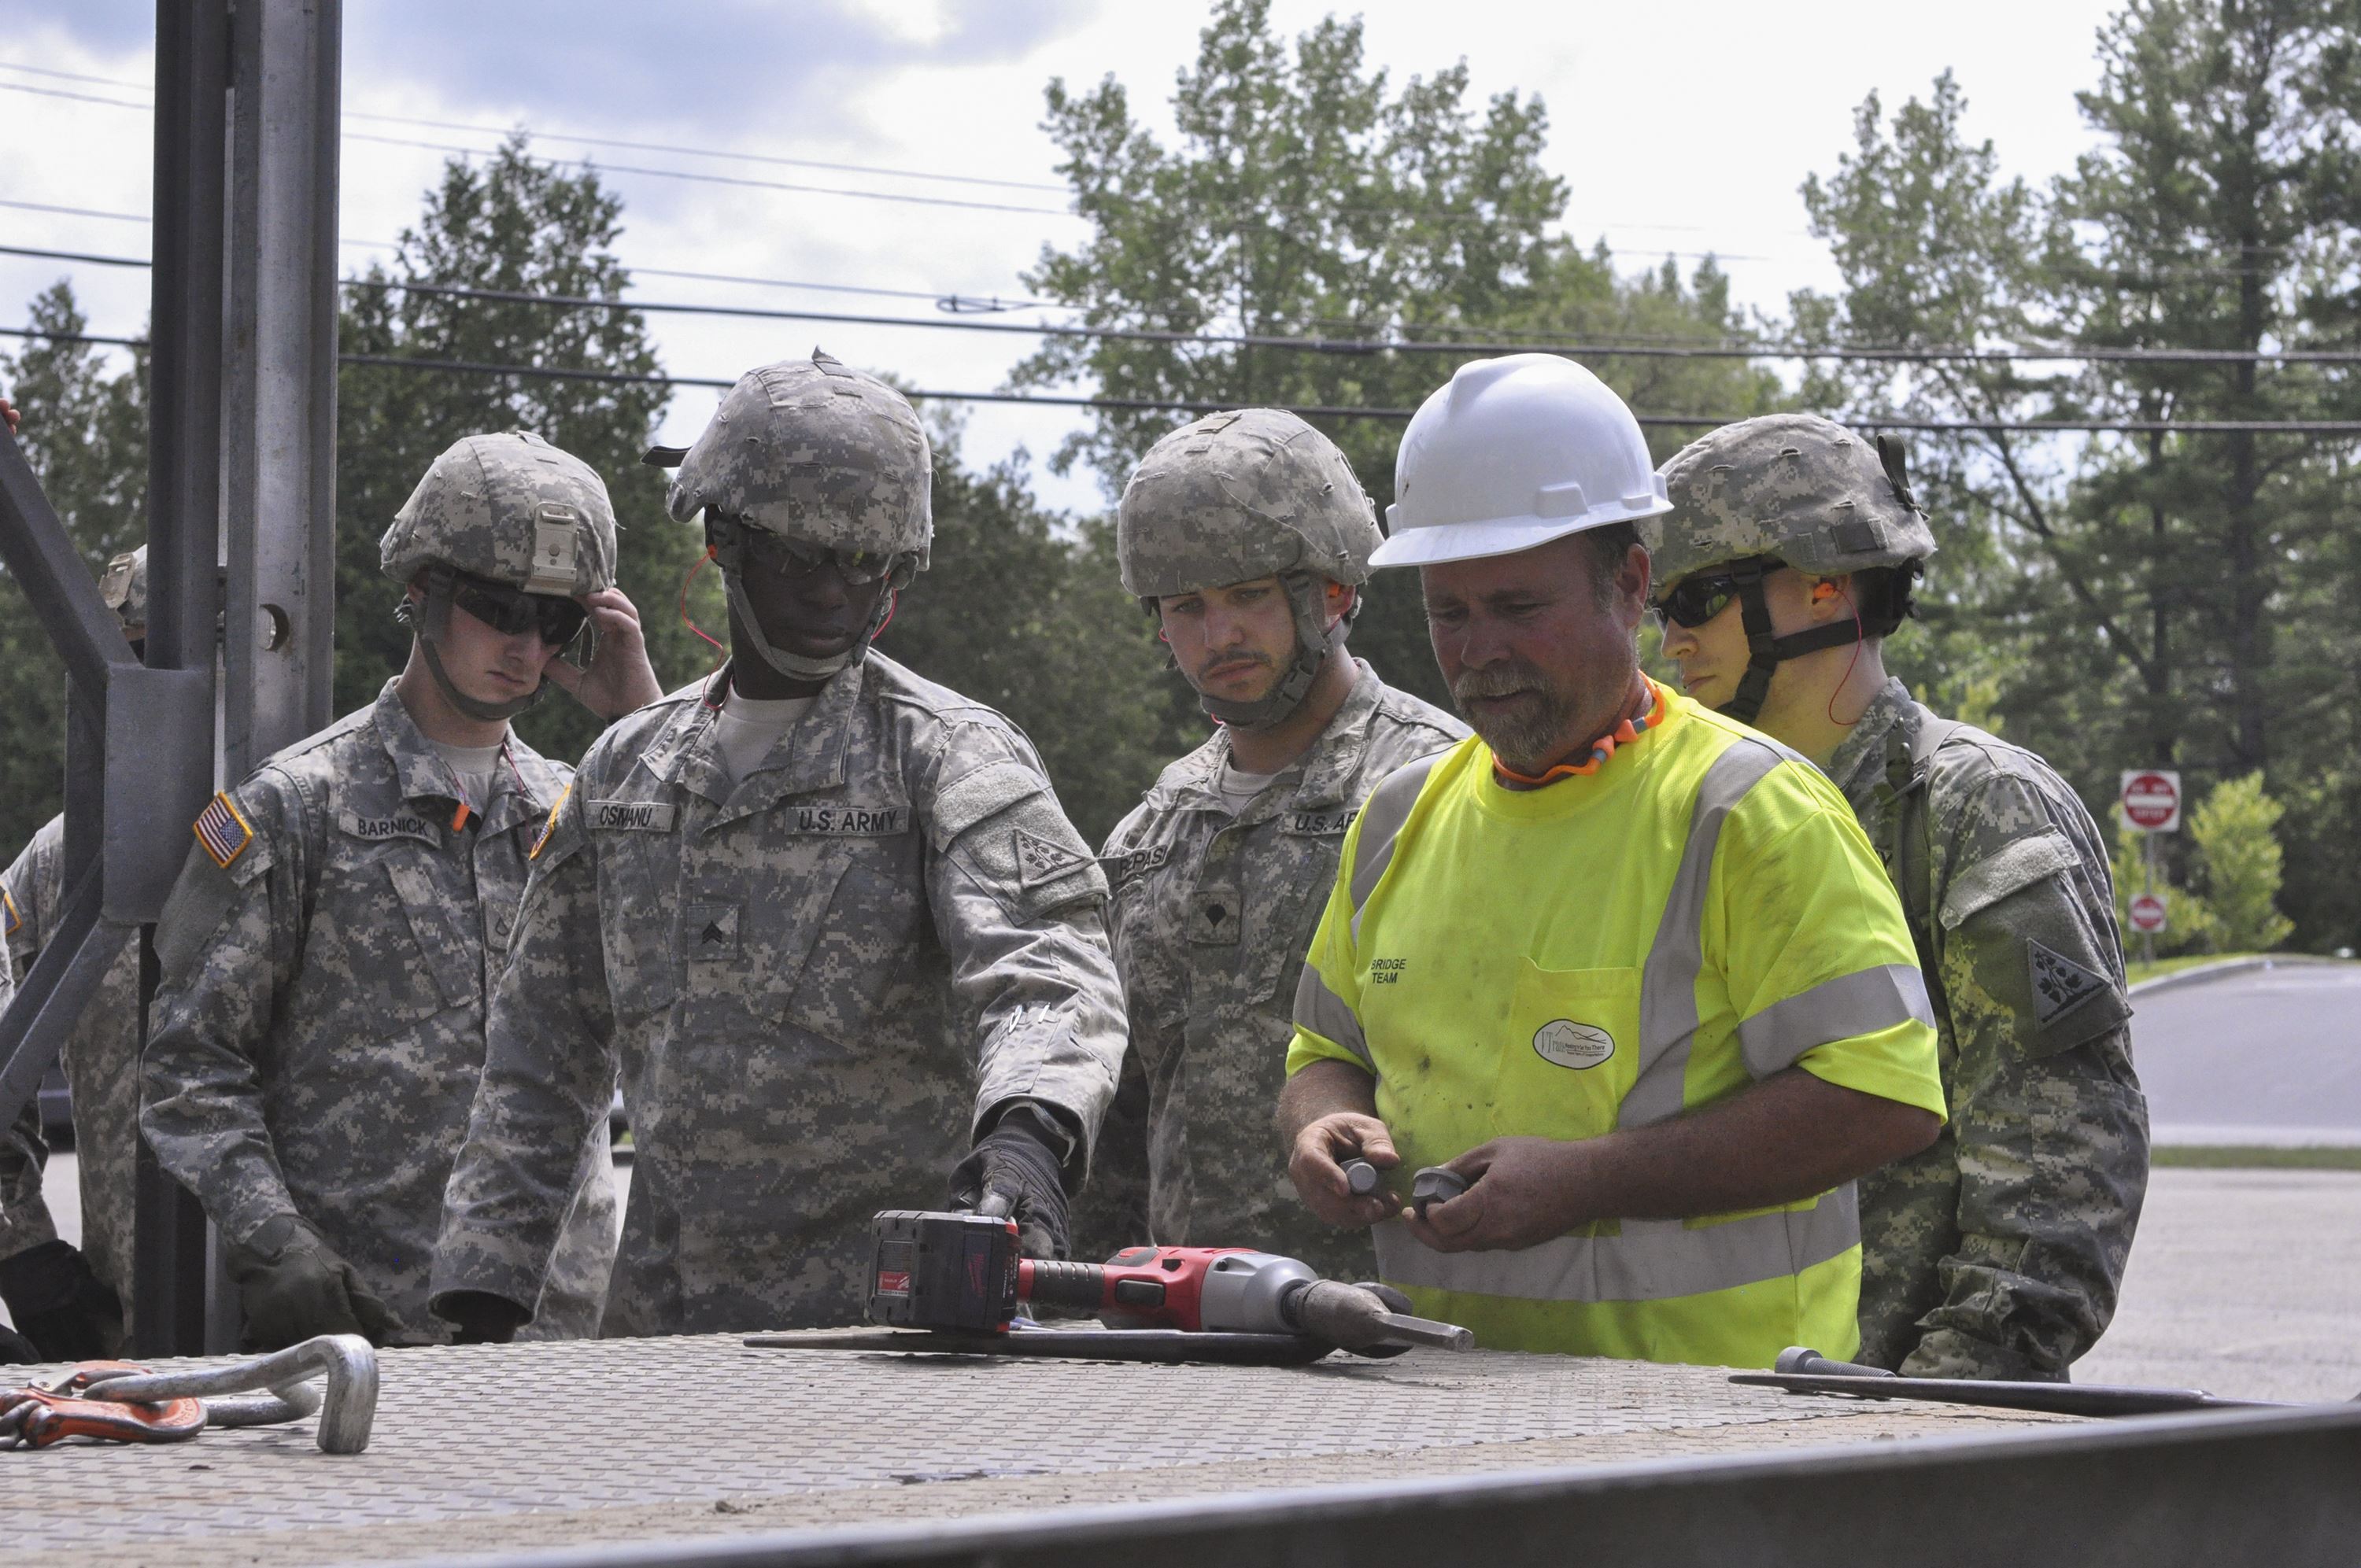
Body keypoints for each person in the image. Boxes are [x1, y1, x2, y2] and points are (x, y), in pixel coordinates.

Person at [427, 350, 1127, 1340]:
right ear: (726, 539)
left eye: (868, 563)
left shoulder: (947, 757)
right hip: (666, 1338)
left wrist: (1028, 1139)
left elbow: (1048, 971)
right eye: (806, 558)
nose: (838, 594)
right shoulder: (627, 771)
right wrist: (484, 1288)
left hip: (886, 1336)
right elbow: (540, 1051)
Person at [1278, 354, 1948, 1367]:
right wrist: (1323, 1129)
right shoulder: (1397, 821)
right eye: (1449, 613)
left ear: (1630, 585)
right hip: (1434, 1420)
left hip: (1713, 1437)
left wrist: (1590, 1179)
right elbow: (1323, 1055)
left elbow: (1885, 1099)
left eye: (1518, 605)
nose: (1478, 650)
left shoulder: (1748, 810)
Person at [1643, 412, 2148, 1381]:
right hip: (1708, 1401)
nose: (1671, 641)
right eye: (1661, 606)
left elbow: (2062, 1160)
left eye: (1700, 597)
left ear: (1826, 584)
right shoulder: (1688, 813)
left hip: (1897, 1415)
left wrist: (1941, 1404)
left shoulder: (1977, 807)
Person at [141, 431, 660, 1349]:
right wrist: (278, 1248)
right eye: (499, 608)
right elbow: (189, 1068)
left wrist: (640, 722)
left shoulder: (583, 808)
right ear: (422, 591)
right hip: (367, 1330)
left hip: (558, 1339)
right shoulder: (298, 808)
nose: (526, 647)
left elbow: (709, 953)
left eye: (556, 624)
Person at [1075, 409, 1463, 1275]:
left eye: (1249, 595)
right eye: (1188, 608)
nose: (1220, 637)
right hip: (1188, 1334)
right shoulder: (1150, 836)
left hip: (1396, 1330)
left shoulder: (1440, 790)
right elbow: (1124, 1113)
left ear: (1330, 591)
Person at [0, 546, 151, 1360]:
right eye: (122, 662)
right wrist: (20, 1243)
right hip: (126, 1337)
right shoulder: (68, 857)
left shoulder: (314, 828)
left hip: (327, 1327)